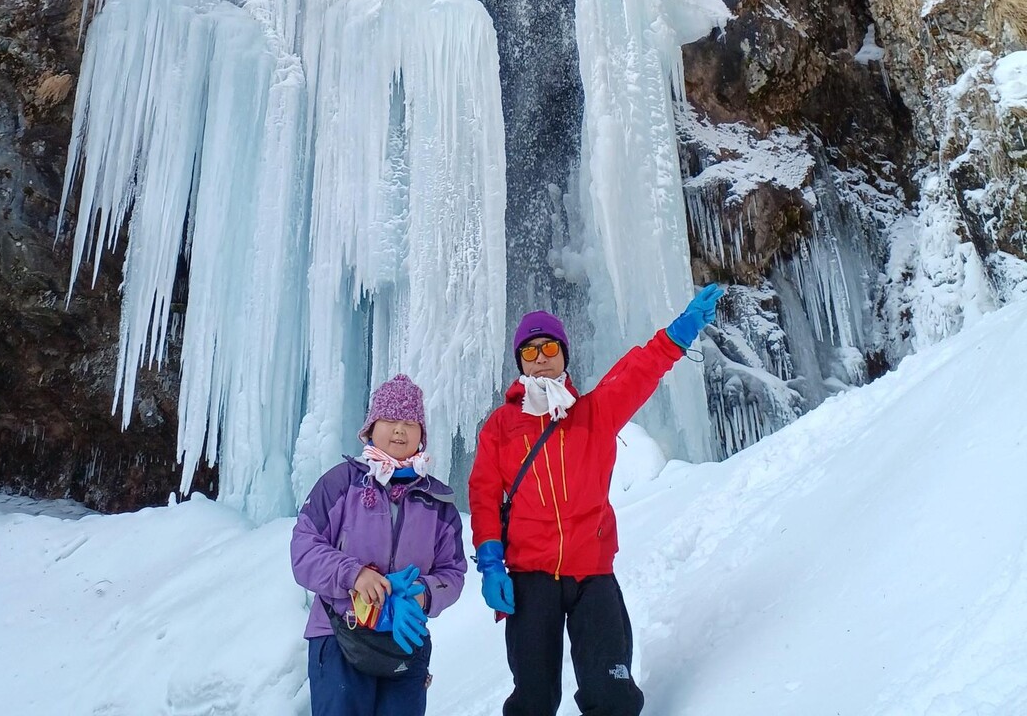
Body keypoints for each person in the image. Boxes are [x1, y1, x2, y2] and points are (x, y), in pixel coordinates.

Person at [469, 285, 724, 716]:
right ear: (520, 364)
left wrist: (679, 334)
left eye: (549, 346)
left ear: (564, 354)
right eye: (529, 352)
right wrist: (491, 561)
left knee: (611, 695)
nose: (541, 356)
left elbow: (638, 371)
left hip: (593, 574)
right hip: (530, 576)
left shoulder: (593, 411)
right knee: (532, 699)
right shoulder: (501, 426)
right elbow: (484, 495)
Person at [290, 373, 466, 716]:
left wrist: (421, 593)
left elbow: (454, 572)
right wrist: (354, 576)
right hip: (340, 634)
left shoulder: (438, 502)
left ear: (421, 436)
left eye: (409, 422)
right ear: (371, 428)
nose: (399, 430)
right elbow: (304, 548)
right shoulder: (340, 483)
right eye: (389, 419)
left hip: (404, 639)